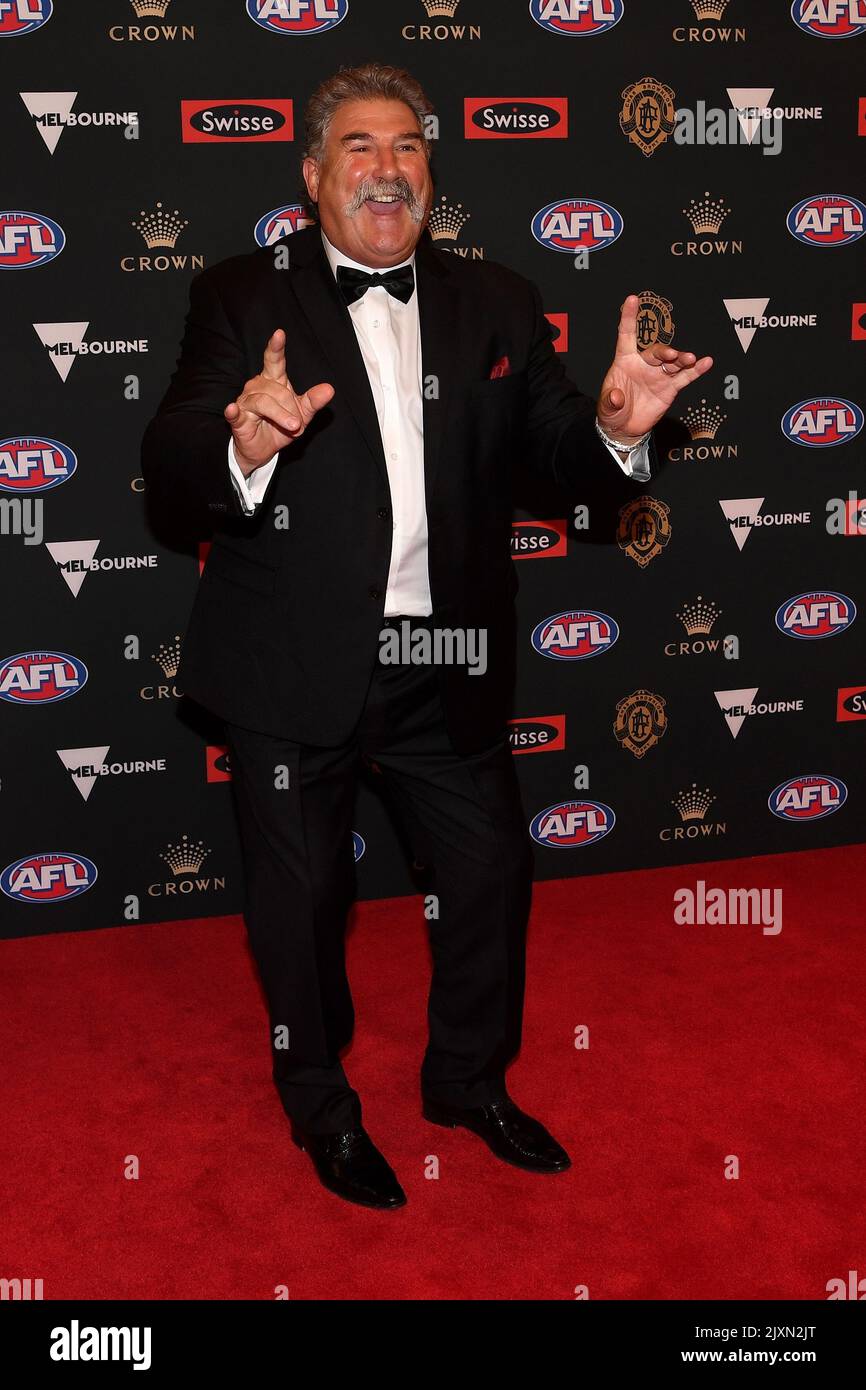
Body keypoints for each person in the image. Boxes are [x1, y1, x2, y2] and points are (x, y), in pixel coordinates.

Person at [141, 62, 712, 1211]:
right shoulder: (239, 297)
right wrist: (244, 445)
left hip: (436, 655)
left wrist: (613, 426)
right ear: (311, 175)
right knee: (298, 908)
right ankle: (320, 1103)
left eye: (406, 146)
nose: (385, 168)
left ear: (430, 171)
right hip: (291, 661)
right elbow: (173, 458)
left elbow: (555, 447)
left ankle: (465, 1079)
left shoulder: (494, 299)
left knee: (489, 874)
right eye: (358, 146)